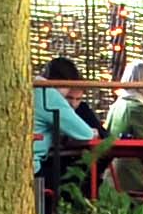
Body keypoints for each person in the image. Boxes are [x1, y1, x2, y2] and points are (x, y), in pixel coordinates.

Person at [33, 56, 102, 205]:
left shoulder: (35, 88)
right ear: (64, 81)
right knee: (74, 183)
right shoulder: (49, 95)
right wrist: (94, 132)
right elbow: (85, 133)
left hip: (30, 158)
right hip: (33, 165)